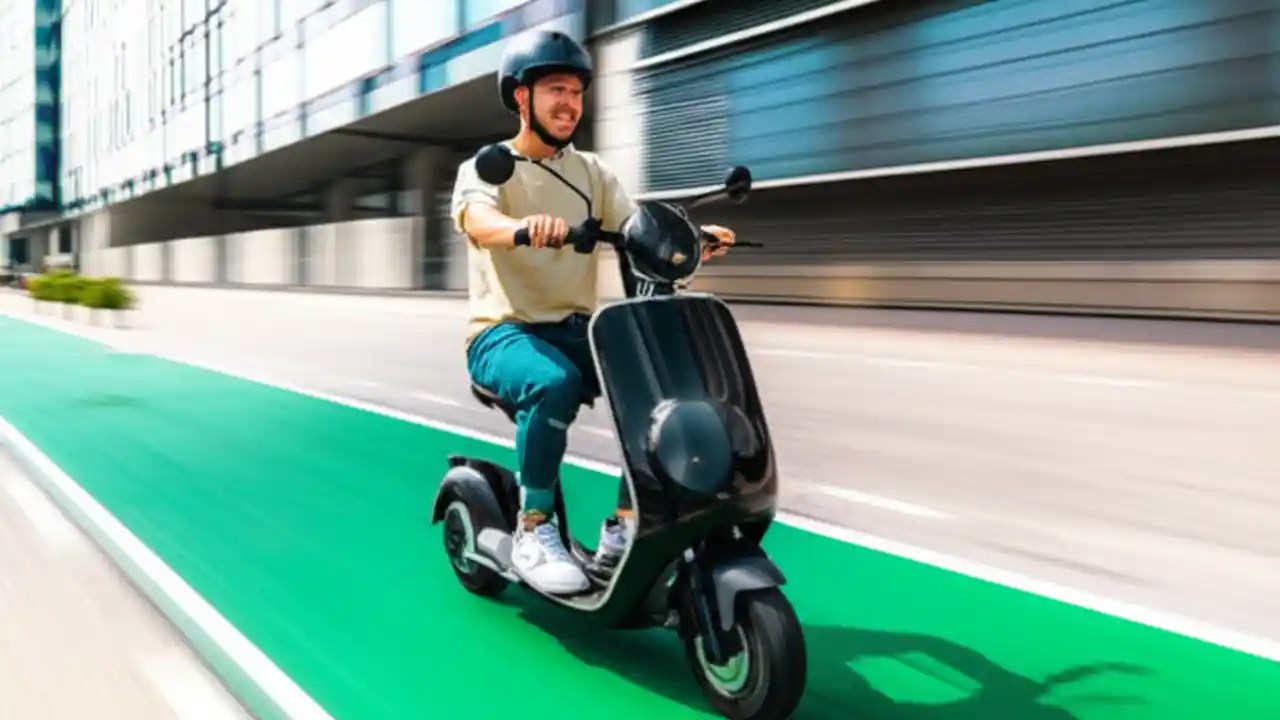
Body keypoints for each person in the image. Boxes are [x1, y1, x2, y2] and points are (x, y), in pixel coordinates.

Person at [449, 30, 736, 596]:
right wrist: (522, 229)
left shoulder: (592, 173)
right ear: (521, 97)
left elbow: (636, 230)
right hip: (501, 333)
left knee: (663, 386)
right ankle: (533, 529)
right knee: (554, 383)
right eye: (555, 88)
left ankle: (627, 525)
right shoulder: (488, 168)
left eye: (577, 91)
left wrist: (693, 240)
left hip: (576, 329)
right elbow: (478, 222)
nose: (569, 102)